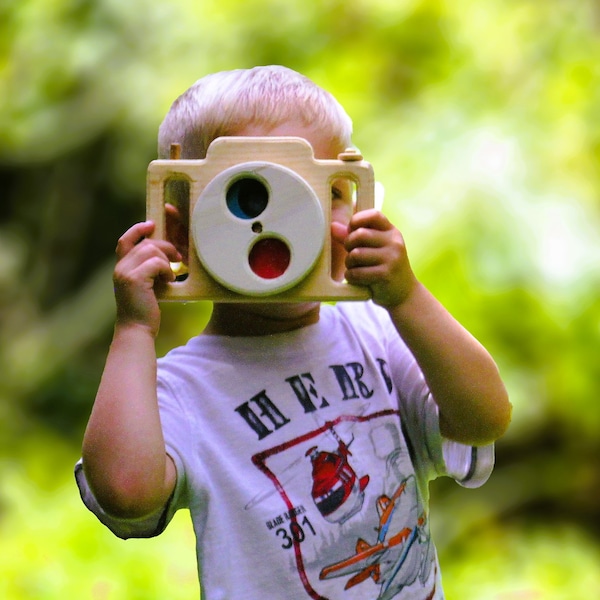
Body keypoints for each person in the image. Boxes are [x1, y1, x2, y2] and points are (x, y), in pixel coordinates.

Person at [75, 65, 511, 600]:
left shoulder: (379, 333)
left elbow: (483, 418)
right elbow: (126, 491)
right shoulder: (185, 389)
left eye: (314, 197)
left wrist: (408, 297)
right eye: (249, 197)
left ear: (351, 202)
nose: (285, 227)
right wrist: (134, 328)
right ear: (181, 232)